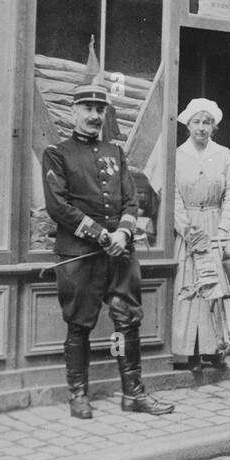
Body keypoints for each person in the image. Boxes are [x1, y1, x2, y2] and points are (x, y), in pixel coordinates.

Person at [43, 83, 174, 419]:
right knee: (80, 324)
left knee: (125, 321)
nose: (94, 115)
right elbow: (58, 207)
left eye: (100, 110)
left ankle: (133, 394)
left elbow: (132, 199)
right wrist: (103, 235)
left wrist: (124, 231)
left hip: (120, 254)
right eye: (87, 108)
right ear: (73, 112)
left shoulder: (115, 153)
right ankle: (78, 394)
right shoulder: (58, 154)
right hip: (80, 255)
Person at [171, 98, 230, 370]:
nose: (202, 127)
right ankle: (186, 352)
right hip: (187, 228)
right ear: (188, 125)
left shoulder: (223, 155)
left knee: (214, 286)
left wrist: (223, 229)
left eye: (207, 122)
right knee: (188, 287)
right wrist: (187, 230)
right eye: (197, 122)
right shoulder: (177, 154)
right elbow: (173, 196)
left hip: (214, 224)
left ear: (214, 126)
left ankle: (213, 350)